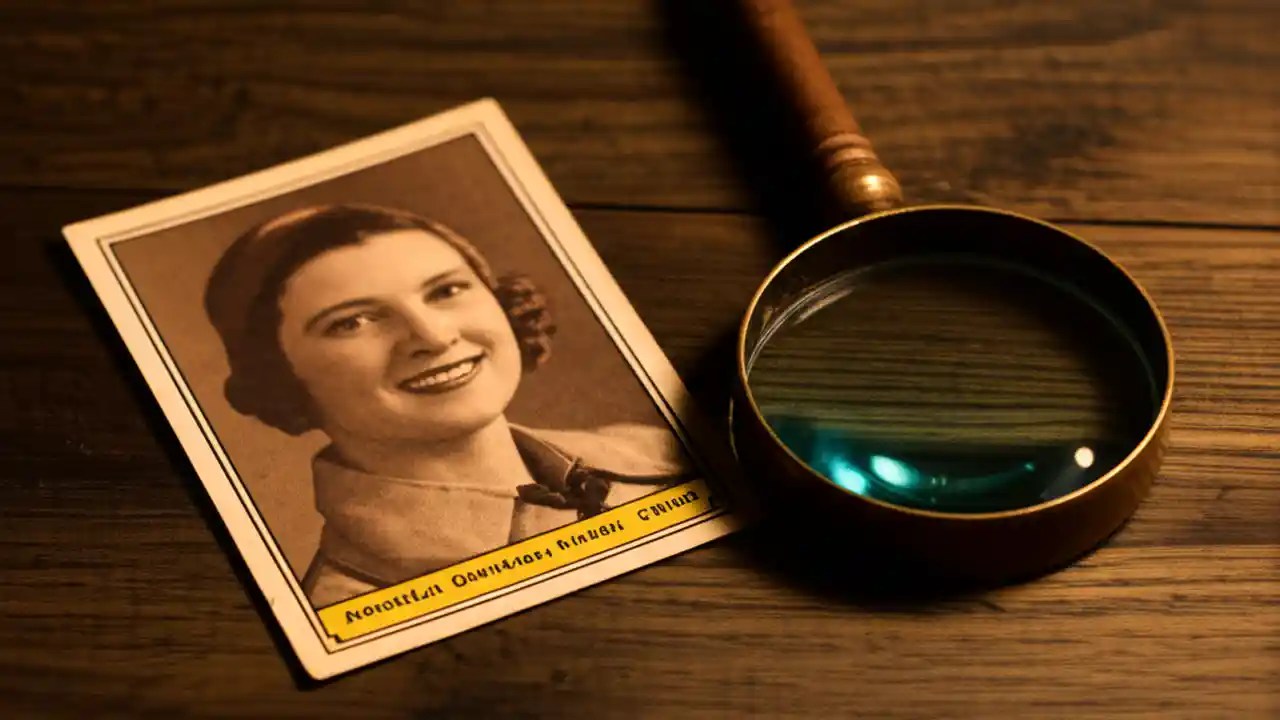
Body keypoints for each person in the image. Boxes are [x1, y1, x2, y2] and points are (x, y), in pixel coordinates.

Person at [204, 203, 691, 607]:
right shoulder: (354, 605)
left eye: (446, 291)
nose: (434, 337)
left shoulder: (659, 451)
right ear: (281, 375)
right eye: (352, 322)